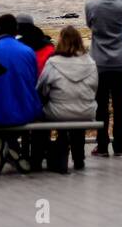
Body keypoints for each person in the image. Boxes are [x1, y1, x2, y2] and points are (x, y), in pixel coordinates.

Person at [0, 14, 43, 167]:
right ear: (16, 31)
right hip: (22, 111)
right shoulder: (28, 52)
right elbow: (34, 81)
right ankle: (13, 148)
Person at [85, 0, 122, 157]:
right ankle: (119, 146)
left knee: (101, 106)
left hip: (99, 64)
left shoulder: (91, 5)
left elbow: (90, 25)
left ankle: (103, 145)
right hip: (121, 64)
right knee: (120, 106)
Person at [36, 26, 98, 173]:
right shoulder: (90, 62)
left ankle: (45, 154)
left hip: (58, 112)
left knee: (47, 113)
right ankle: (78, 158)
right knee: (77, 114)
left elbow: (41, 87)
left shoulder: (53, 62)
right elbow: (95, 87)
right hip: (85, 111)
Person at [16, 13, 55, 170]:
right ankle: (39, 153)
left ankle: (21, 152)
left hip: (22, 94)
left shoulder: (19, 46)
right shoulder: (48, 46)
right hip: (44, 95)